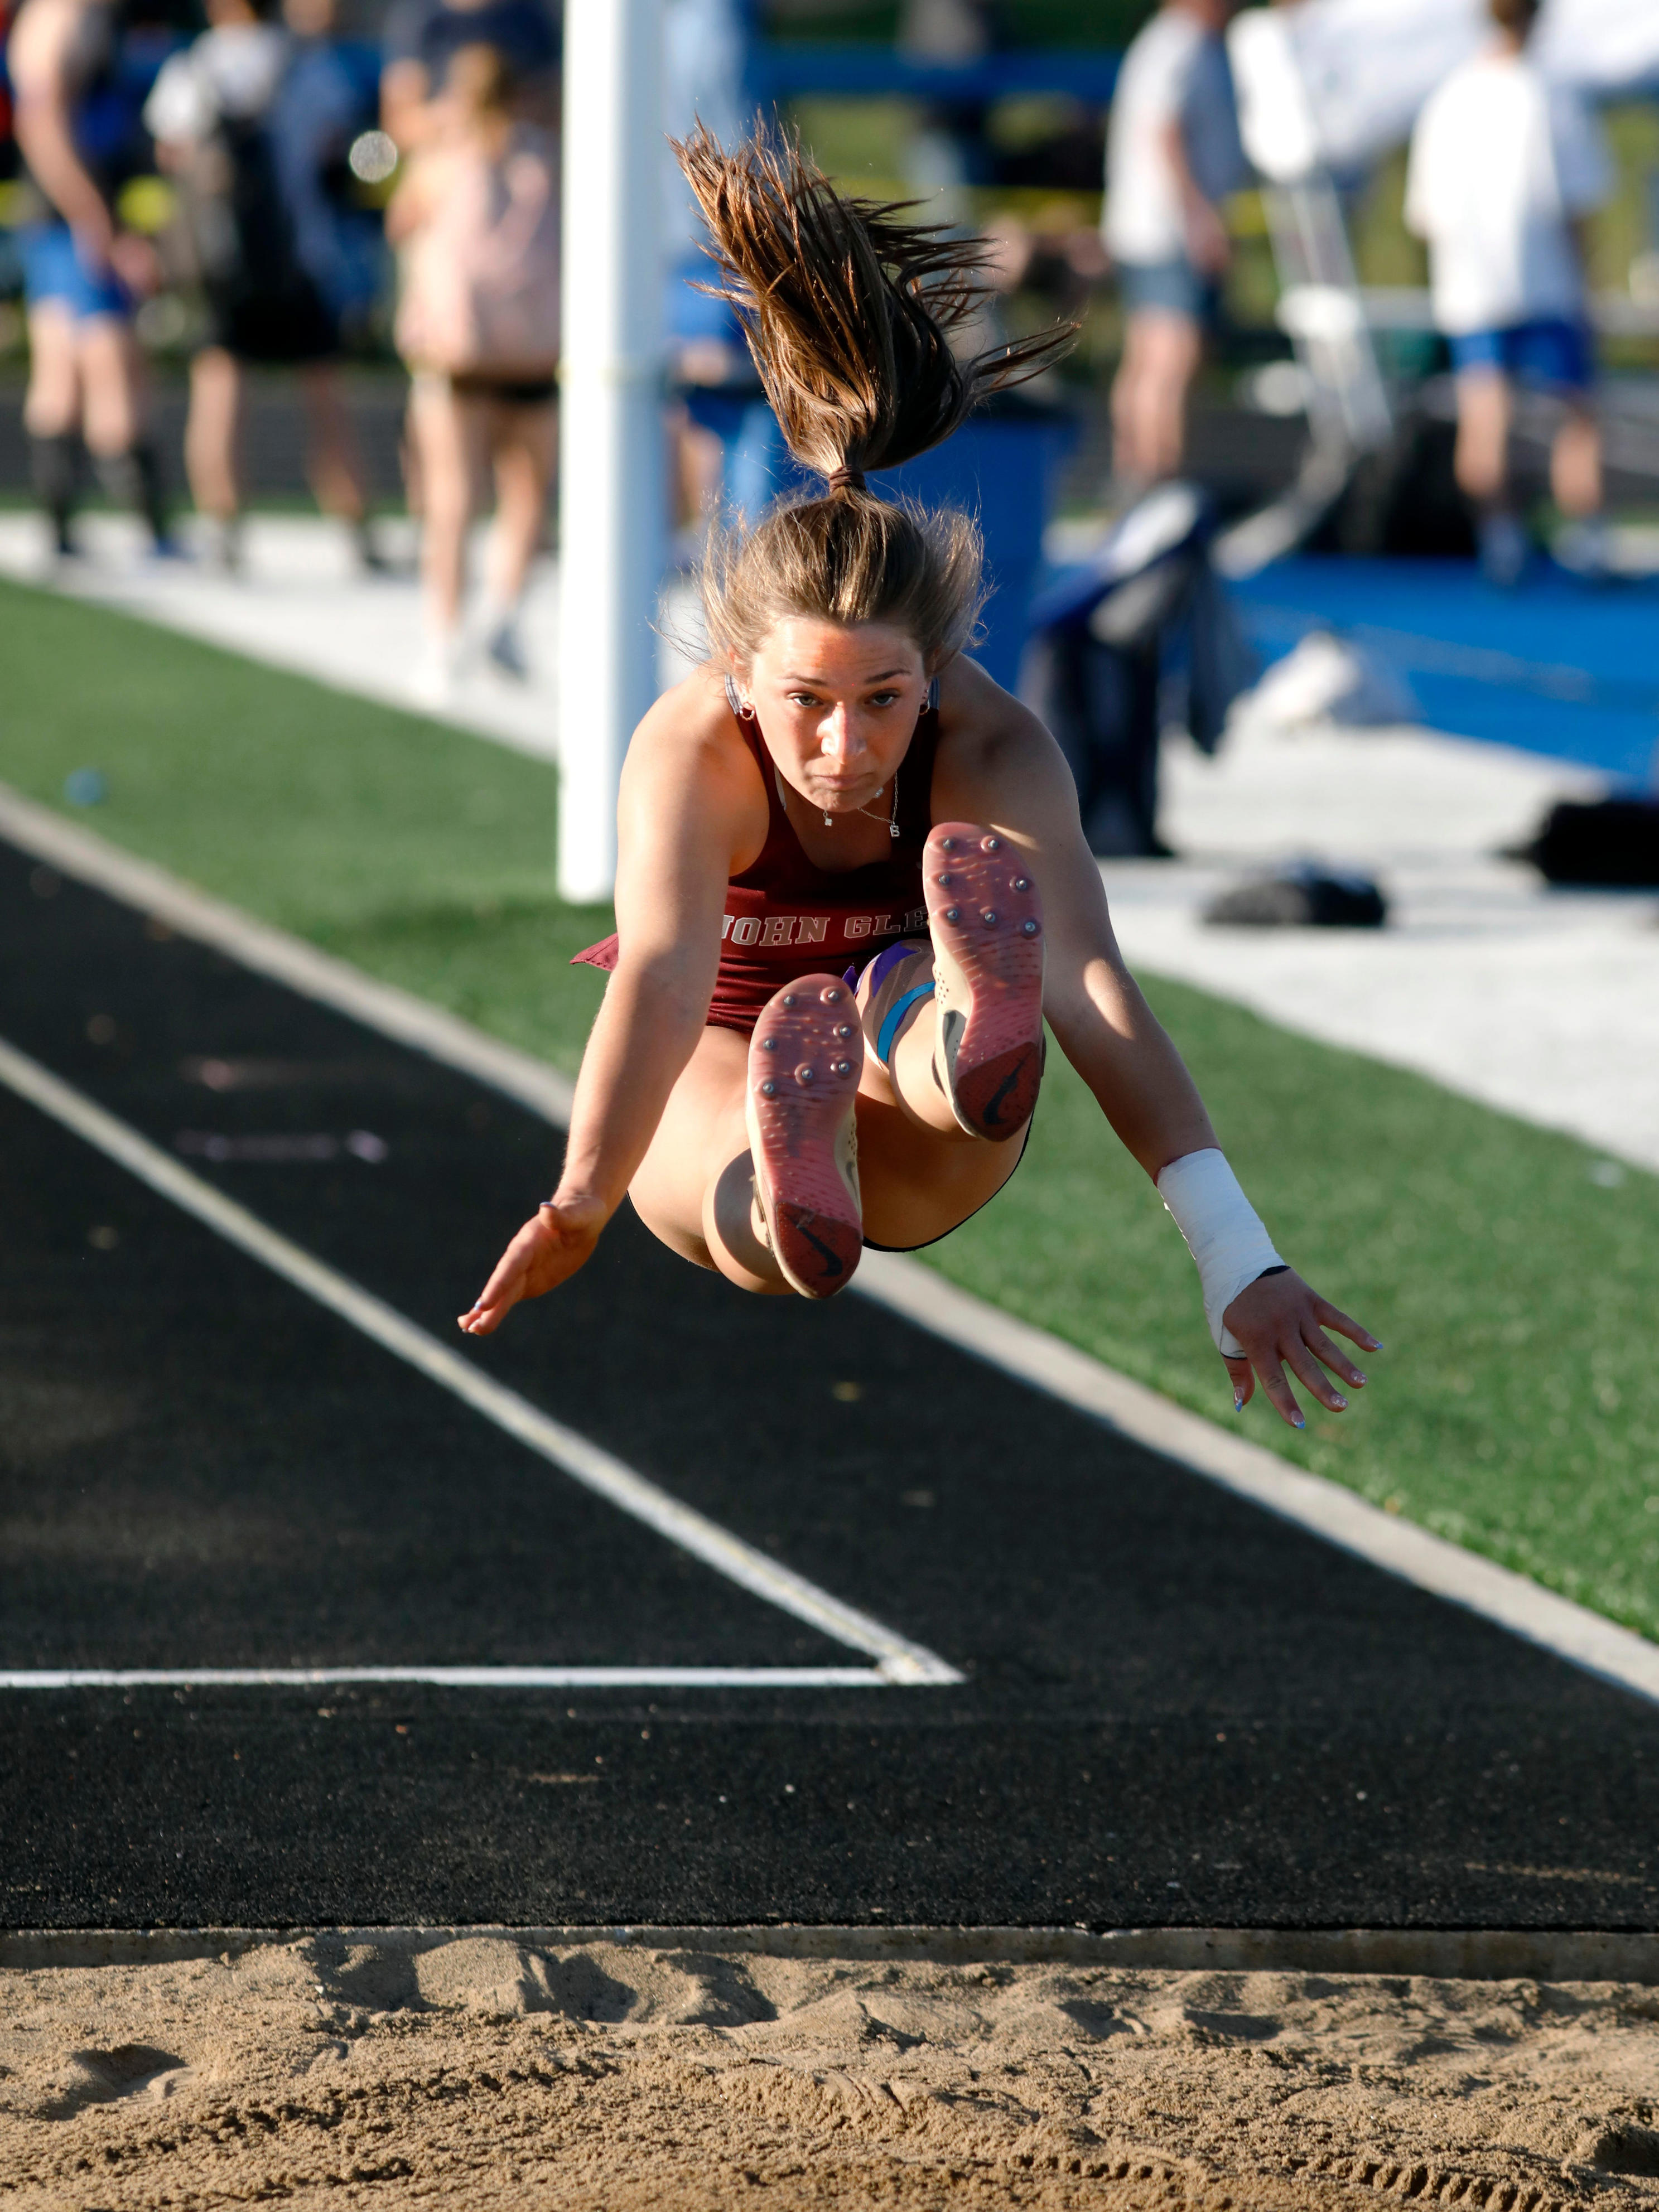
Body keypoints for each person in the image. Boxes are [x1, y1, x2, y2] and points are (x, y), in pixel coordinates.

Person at [459, 130, 1378, 1437]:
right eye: (806, 706)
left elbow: (1090, 987)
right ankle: (800, 1170)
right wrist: (577, 1201)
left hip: (931, 1118)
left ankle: (938, 1034)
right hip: (729, 1044)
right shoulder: (687, 747)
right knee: (744, 1206)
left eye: (884, 701)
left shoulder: (989, 747)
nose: (843, 747)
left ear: (935, 667)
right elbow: (666, 983)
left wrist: (1237, 1253)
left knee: (924, 1030)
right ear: (736, 672)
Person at [144, 0, 376, 572]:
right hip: (302, 258)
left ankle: (224, 527)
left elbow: (168, 156)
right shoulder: (306, 64)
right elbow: (340, 153)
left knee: (220, 398)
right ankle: (356, 530)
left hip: (224, 264)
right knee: (326, 402)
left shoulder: (193, 69)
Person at [1405, 0, 1612, 586]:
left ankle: (1501, 544)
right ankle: (1588, 542)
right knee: (1577, 415)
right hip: (1546, 284)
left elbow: (1424, 215)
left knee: (1484, 414)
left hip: (1471, 288)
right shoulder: (1550, 94)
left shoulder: (1447, 99)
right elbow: (1576, 201)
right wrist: (1585, 284)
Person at [387, 40, 559, 699]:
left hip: (455, 351)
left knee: (452, 499)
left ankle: (443, 637)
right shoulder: (547, 160)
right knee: (527, 492)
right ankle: (505, 617)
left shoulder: (440, 163)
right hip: (533, 351)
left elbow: (400, 227)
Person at [9, 0, 173, 557]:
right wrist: (92, 215)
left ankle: (61, 528)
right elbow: (43, 122)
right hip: (70, 215)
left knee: (62, 372)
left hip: (62, 213)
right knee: (112, 364)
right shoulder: (62, 20)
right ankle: (150, 525)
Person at [1102, 0, 1246, 493]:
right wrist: (1199, 217)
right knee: (1171, 359)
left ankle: (1137, 477)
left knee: (1149, 357)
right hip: (1166, 231)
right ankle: (1155, 482)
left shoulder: (1173, 43)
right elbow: (1166, 130)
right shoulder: (1179, 46)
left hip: (1152, 228)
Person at [379, 0, 555, 153]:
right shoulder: (419, 17)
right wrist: (459, 113)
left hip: (521, 159)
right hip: (447, 161)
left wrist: (499, 119)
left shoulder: (529, 16)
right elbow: (400, 128)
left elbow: (557, 111)